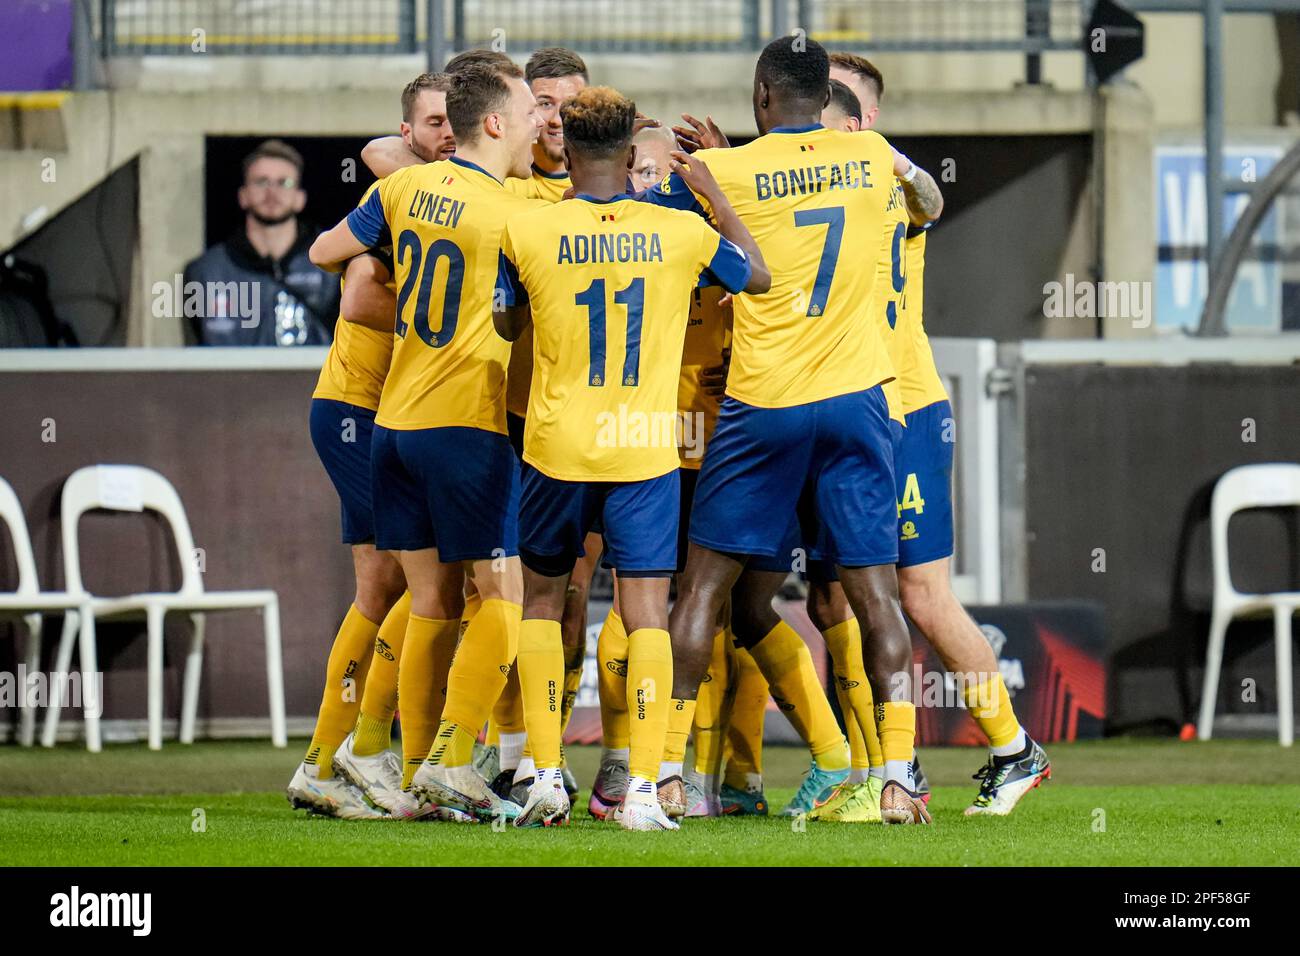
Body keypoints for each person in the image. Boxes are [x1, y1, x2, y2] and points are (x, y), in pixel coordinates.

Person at [643, 36, 933, 825]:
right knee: (877, 596)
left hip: (763, 404)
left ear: (764, 93)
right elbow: (929, 198)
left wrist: (707, 175)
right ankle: (900, 777)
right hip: (857, 400)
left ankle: (665, 772)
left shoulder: (724, 176)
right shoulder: (870, 153)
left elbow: (680, 231)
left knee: (702, 589)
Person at [495, 85, 767, 829]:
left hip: (556, 444)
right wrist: (712, 187)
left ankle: (545, 774)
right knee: (648, 614)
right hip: (644, 448)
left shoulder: (527, 229)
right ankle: (645, 788)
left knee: (546, 606)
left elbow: (506, 321)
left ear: (569, 151)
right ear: (628, 149)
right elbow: (759, 273)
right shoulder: (680, 233)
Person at [309, 60, 546, 823]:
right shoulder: (515, 216)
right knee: (504, 594)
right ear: (499, 123)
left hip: (394, 426)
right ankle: (451, 760)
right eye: (530, 112)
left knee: (431, 598)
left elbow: (322, 253)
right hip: (464, 425)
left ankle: (397, 764)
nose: (542, 124)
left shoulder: (402, 190)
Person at [826, 51, 1050, 816]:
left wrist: (894, 162)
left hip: (904, 406)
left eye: (835, 102)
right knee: (853, 593)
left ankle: (1010, 747)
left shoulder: (891, 180)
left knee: (921, 595)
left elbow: (930, 196)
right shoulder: (811, 178)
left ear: (865, 121)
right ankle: (885, 768)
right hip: (839, 404)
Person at [285, 72, 460, 822]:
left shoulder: (437, 190)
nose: (447, 132)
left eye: (457, 120)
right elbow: (354, 288)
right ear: (411, 133)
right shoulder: (397, 201)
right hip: (358, 408)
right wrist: (449, 314)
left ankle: (325, 762)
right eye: (432, 123)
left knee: (379, 590)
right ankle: (365, 749)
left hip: (383, 412)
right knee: (412, 580)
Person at [184, 139, 338, 346]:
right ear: (243, 195)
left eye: (284, 182)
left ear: (300, 198)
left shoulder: (332, 264)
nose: (272, 192)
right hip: (232, 379)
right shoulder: (206, 271)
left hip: (315, 378)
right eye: (261, 181)